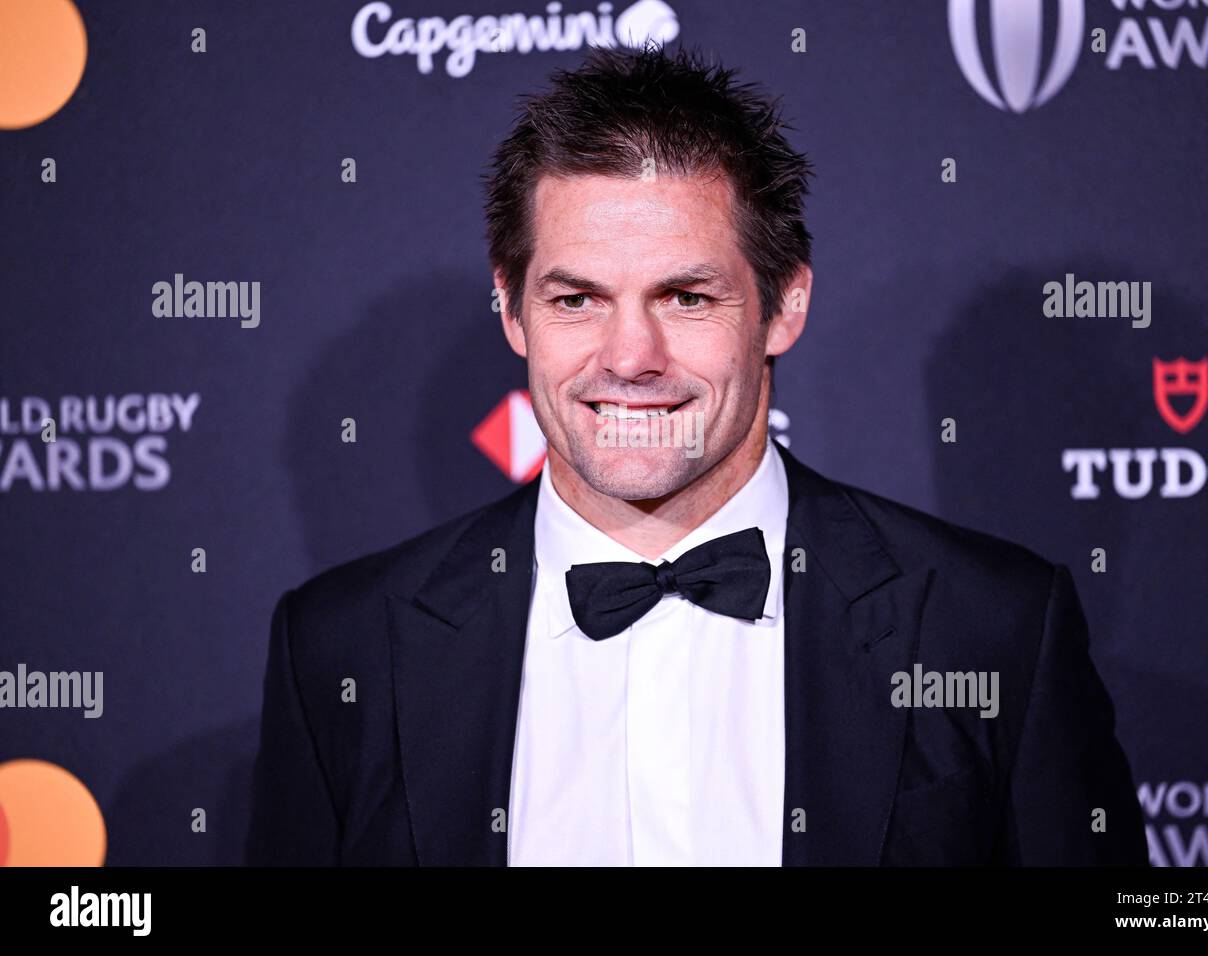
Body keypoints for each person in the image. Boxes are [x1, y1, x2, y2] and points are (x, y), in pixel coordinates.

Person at [246, 45, 1147, 866]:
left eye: (684, 296)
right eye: (577, 300)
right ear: (513, 311)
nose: (630, 357)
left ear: (784, 305)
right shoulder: (343, 646)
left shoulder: (991, 626)